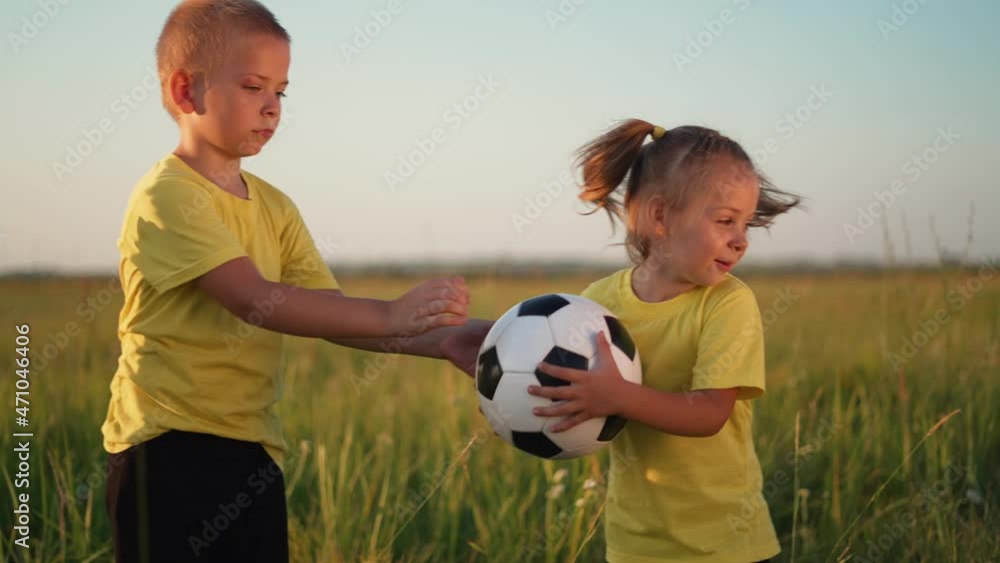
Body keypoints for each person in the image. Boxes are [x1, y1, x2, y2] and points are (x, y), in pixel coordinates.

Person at [101, 2, 488, 561]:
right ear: (187, 92)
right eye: (254, 86)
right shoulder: (168, 196)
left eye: (281, 92)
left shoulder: (276, 206)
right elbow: (254, 300)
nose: (272, 107)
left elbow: (327, 313)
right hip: (166, 450)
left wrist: (450, 336)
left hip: (253, 450)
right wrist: (390, 313)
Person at [527, 119, 800, 562]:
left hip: (728, 545)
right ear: (660, 217)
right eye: (727, 221)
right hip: (636, 544)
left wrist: (619, 396)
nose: (741, 240)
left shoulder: (727, 304)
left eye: (747, 224)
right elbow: (558, 368)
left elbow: (711, 413)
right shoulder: (599, 302)